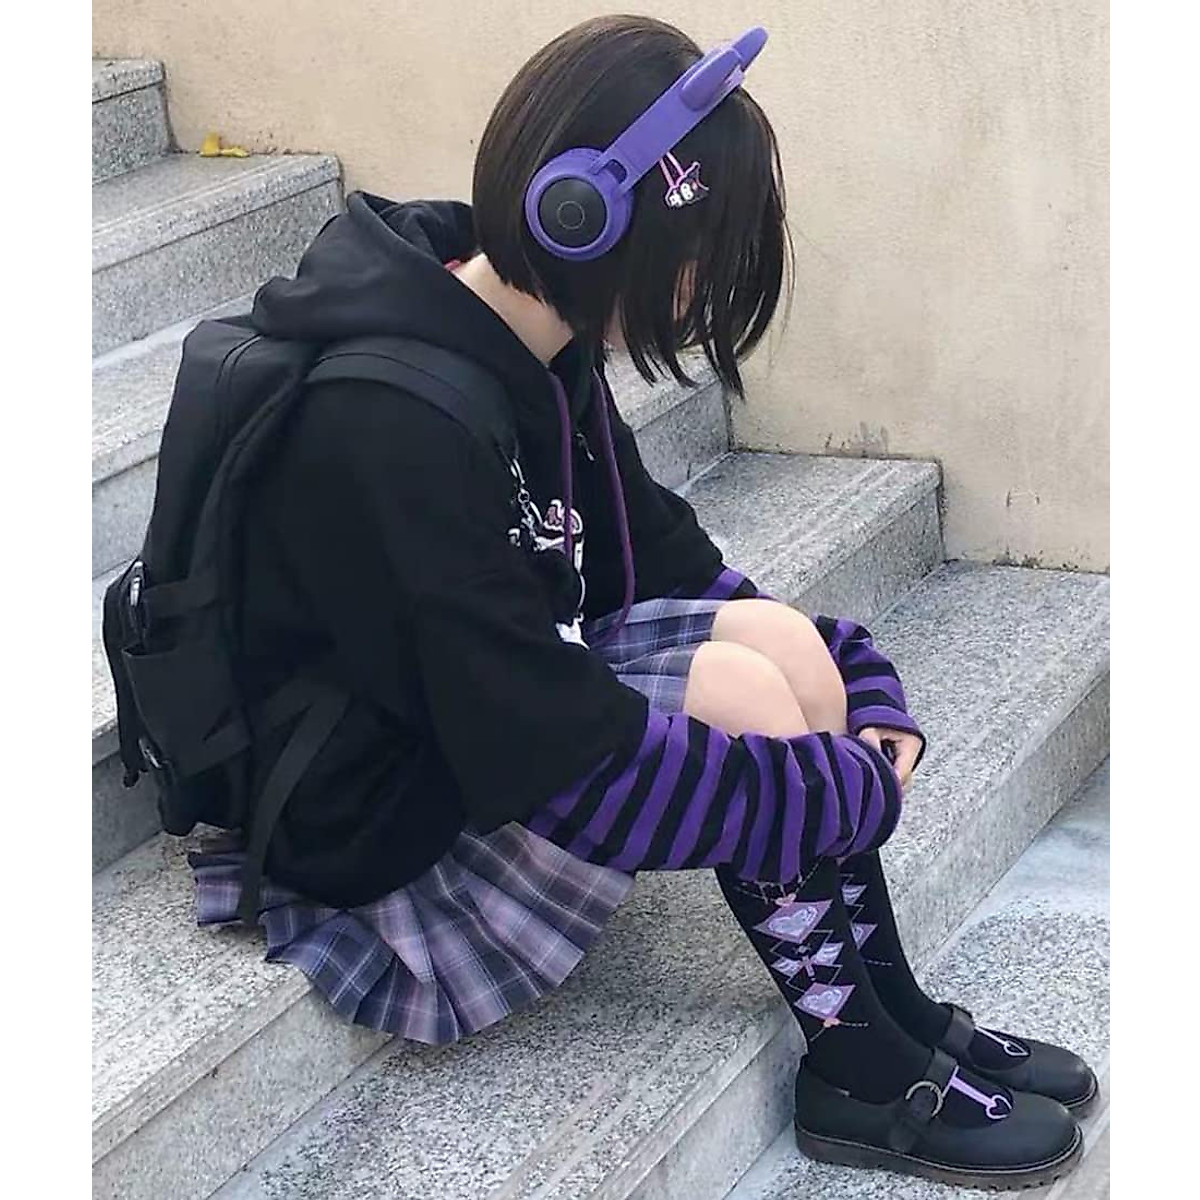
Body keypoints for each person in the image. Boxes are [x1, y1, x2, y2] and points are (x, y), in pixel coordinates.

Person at [190, 15, 1096, 1189]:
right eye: (702, 255)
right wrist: (833, 789)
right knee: (741, 697)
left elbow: (659, 565)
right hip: (388, 827)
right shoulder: (391, 424)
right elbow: (563, 767)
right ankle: (860, 1069)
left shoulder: (527, 335)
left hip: (484, 713)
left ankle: (893, 1011)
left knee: (772, 649)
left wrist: (855, 684)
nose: (702, 288)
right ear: (589, 218)